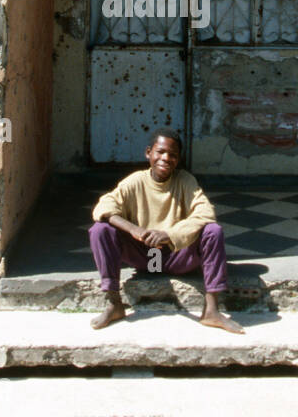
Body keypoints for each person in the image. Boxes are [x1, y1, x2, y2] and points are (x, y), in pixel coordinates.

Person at [88, 129, 244, 333]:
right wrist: (134, 229)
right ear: (148, 153)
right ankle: (114, 303)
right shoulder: (135, 181)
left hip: (176, 257)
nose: (165, 158)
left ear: (178, 159)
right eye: (160, 152)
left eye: (172, 155)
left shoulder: (185, 181)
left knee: (212, 231)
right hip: (146, 257)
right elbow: (103, 206)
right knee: (101, 229)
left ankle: (211, 311)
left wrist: (170, 235)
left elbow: (206, 212)